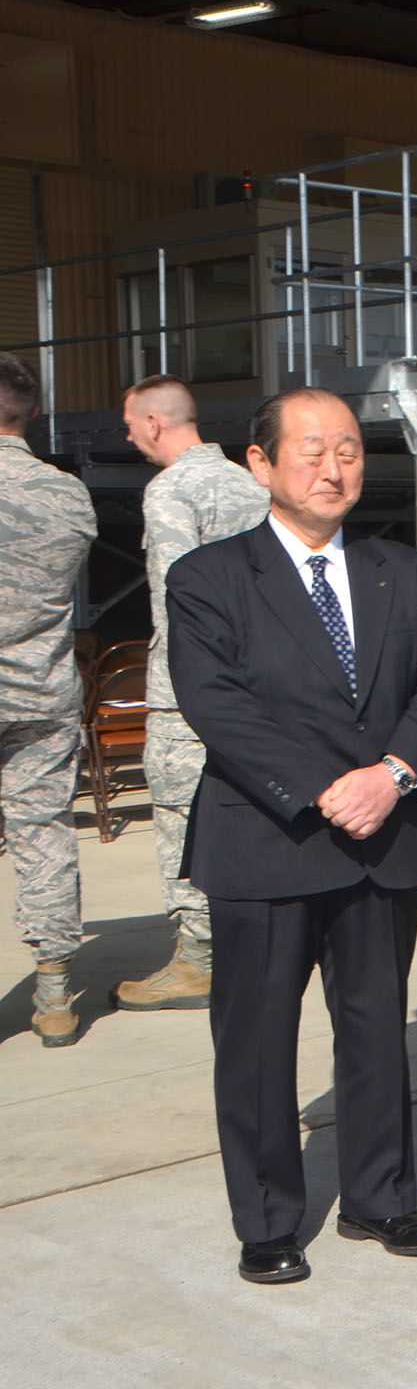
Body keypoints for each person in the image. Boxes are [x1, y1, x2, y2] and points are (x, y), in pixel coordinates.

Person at [165, 388, 417, 1284]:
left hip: (382, 840)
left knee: (376, 1029)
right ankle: (268, 1220)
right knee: (258, 1042)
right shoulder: (210, 578)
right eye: (310, 448)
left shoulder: (403, 572)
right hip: (268, 839)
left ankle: (383, 1198)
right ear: (260, 465)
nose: (334, 466)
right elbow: (215, 703)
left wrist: (395, 776)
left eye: (348, 447)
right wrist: (325, 788)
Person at [111, 375, 268, 1014]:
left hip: (188, 690)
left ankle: (199, 956)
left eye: (129, 423)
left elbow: (179, 598)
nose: (127, 436)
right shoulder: (246, 481)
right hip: (255, 681)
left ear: (153, 423)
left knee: (182, 816)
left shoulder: (171, 489)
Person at [0, 350, 97, 1047]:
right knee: (44, 832)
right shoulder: (69, 495)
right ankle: (56, 993)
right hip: (42, 689)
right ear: (31, 412)